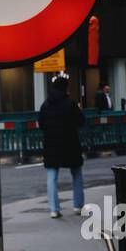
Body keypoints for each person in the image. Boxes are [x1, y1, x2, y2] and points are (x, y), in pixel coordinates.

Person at [38, 73, 85, 219]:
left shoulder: (45, 105)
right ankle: (78, 205)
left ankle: (54, 209)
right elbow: (81, 121)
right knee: (76, 173)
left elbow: (41, 124)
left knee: (52, 176)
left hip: (51, 145)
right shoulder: (70, 103)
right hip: (70, 144)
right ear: (66, 88)